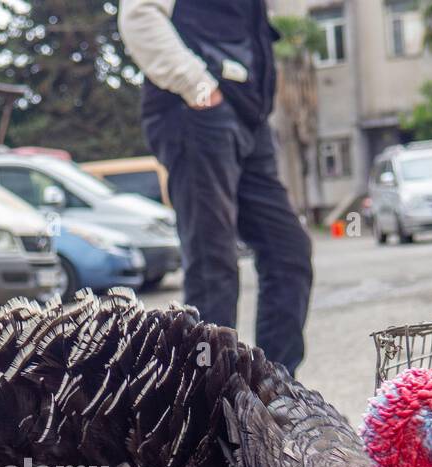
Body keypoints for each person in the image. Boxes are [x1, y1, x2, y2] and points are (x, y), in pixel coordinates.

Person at [119, 0, 313, 375]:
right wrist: (199, 87)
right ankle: (207, 396)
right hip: (197, 110)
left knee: (288, 251)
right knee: (213, 263)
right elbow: (139, 14)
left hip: (249, 118)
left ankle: (273, 389)